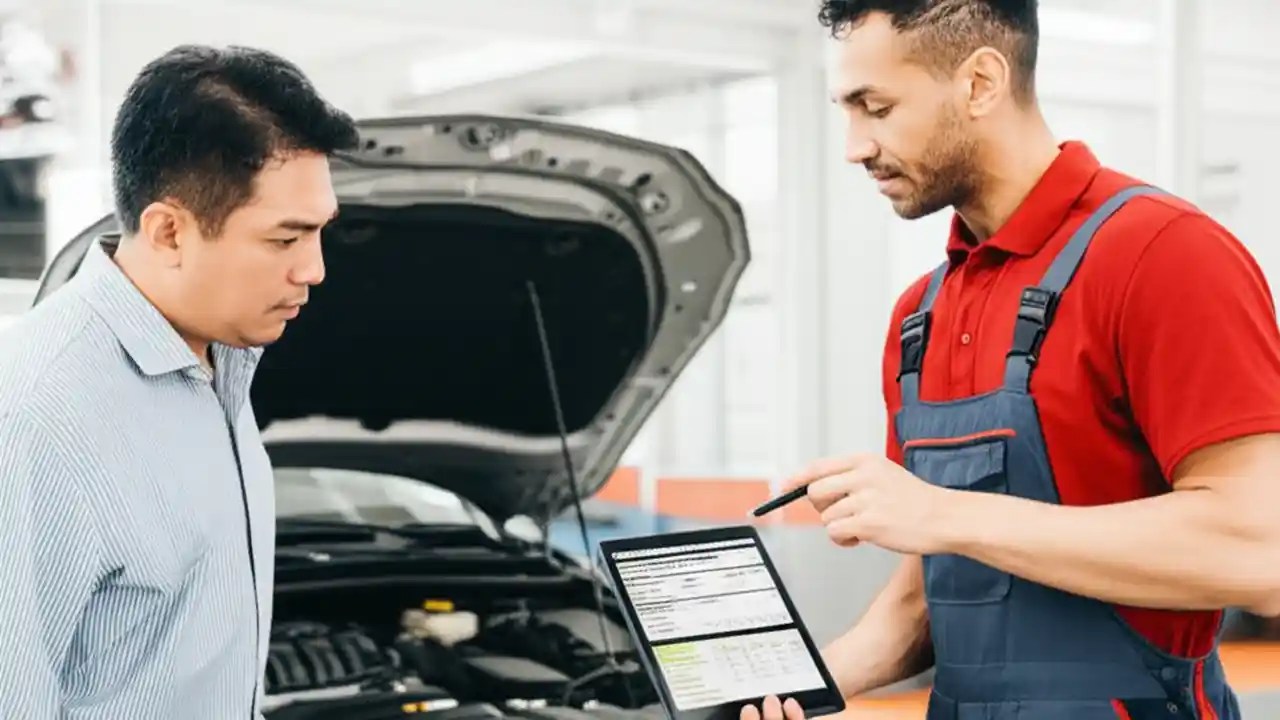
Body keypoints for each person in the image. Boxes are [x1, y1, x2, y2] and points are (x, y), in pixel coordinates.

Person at [743, 2, 1280, 719]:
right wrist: (800, 690)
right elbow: (926, 598)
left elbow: (1260, 549)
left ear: (981, 83)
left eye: (876, 108)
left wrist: (945, 512)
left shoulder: (1164, 256)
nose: (854, 146)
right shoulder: (918, 318)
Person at [0, 45, 358, 718]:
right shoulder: (35, 420)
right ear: (168, 232)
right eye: (285, 240)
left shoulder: (221, 366)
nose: (314, 270)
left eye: (319, 235)